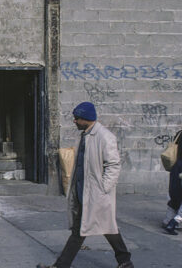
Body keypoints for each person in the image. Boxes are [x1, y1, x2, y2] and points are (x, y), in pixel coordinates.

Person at [38, 102, 134, 268]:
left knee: (81, 231)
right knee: (105, 228)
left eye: (77, 118)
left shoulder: (104, 137)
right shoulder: (85, 135)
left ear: (86, 119)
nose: (74, 121)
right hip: (84, 192)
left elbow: (113, 165)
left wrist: (103, 189)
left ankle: (60, 266)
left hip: (95, 194)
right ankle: (125, 261)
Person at [163, 112, 182, 235]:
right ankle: (174, 222)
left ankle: (167, 220)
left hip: (177, 166)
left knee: (176, 193)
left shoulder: (181, 133)